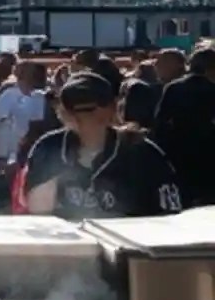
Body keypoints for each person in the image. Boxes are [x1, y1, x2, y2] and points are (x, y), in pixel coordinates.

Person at [25, 72, 183, 219]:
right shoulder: (49, 148)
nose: (83, 119)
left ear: (112, 108)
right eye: (74, 112)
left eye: (90, 110)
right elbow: (34, 211)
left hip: (127, 243)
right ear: (63, 113)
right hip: (67, 245)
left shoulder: (140, 153)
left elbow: (169, 214)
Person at [152, 48, 215, 206]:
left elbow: (160, 123)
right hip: (209, 155)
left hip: (178, 154)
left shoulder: (173, 87)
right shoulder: (212, 89)